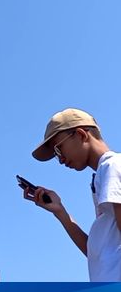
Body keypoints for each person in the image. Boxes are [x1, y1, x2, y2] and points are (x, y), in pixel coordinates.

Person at [26, 108, 121, 281]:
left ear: (81, 134)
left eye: (59, 149)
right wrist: (60, 212)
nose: (60, 159)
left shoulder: (112, 166)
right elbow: (97, 255)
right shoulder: (103, 175)